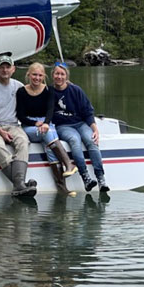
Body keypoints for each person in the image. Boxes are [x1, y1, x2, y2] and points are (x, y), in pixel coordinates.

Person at [15, 61, 79, 196]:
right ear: (28, 75)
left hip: (47, 123)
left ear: (44, 76)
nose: (37, 78)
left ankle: (62, 189)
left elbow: (50, 110)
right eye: (34, 75)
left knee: (50, 148)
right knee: (47, 133)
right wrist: (35, 123)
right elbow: (20, 115)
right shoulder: (21, 92)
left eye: (40, 75)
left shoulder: (48, 90)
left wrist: (45, 122)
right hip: (30, 126)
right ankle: (68, 163)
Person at [0, 54, 36, 199]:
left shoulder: (19, 86)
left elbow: (33, 101)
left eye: (7, 67)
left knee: (23, 141)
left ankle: (18, 185)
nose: (5, 70)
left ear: (13, 69)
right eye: (2, 67)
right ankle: (20, 184)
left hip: (13, 125)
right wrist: (0, 132)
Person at [51, 61, 109, 194]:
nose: (59, 77)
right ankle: (86, 177)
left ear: (66, 76)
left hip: (80, 123)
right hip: (63, 126)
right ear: (53, 75)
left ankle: (101, 178)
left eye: (62, 74)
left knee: (91, 141)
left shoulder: (75, 90)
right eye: (56, 74)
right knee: (75, 140)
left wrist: (95, 130)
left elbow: (87, 111)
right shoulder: (49, 92)